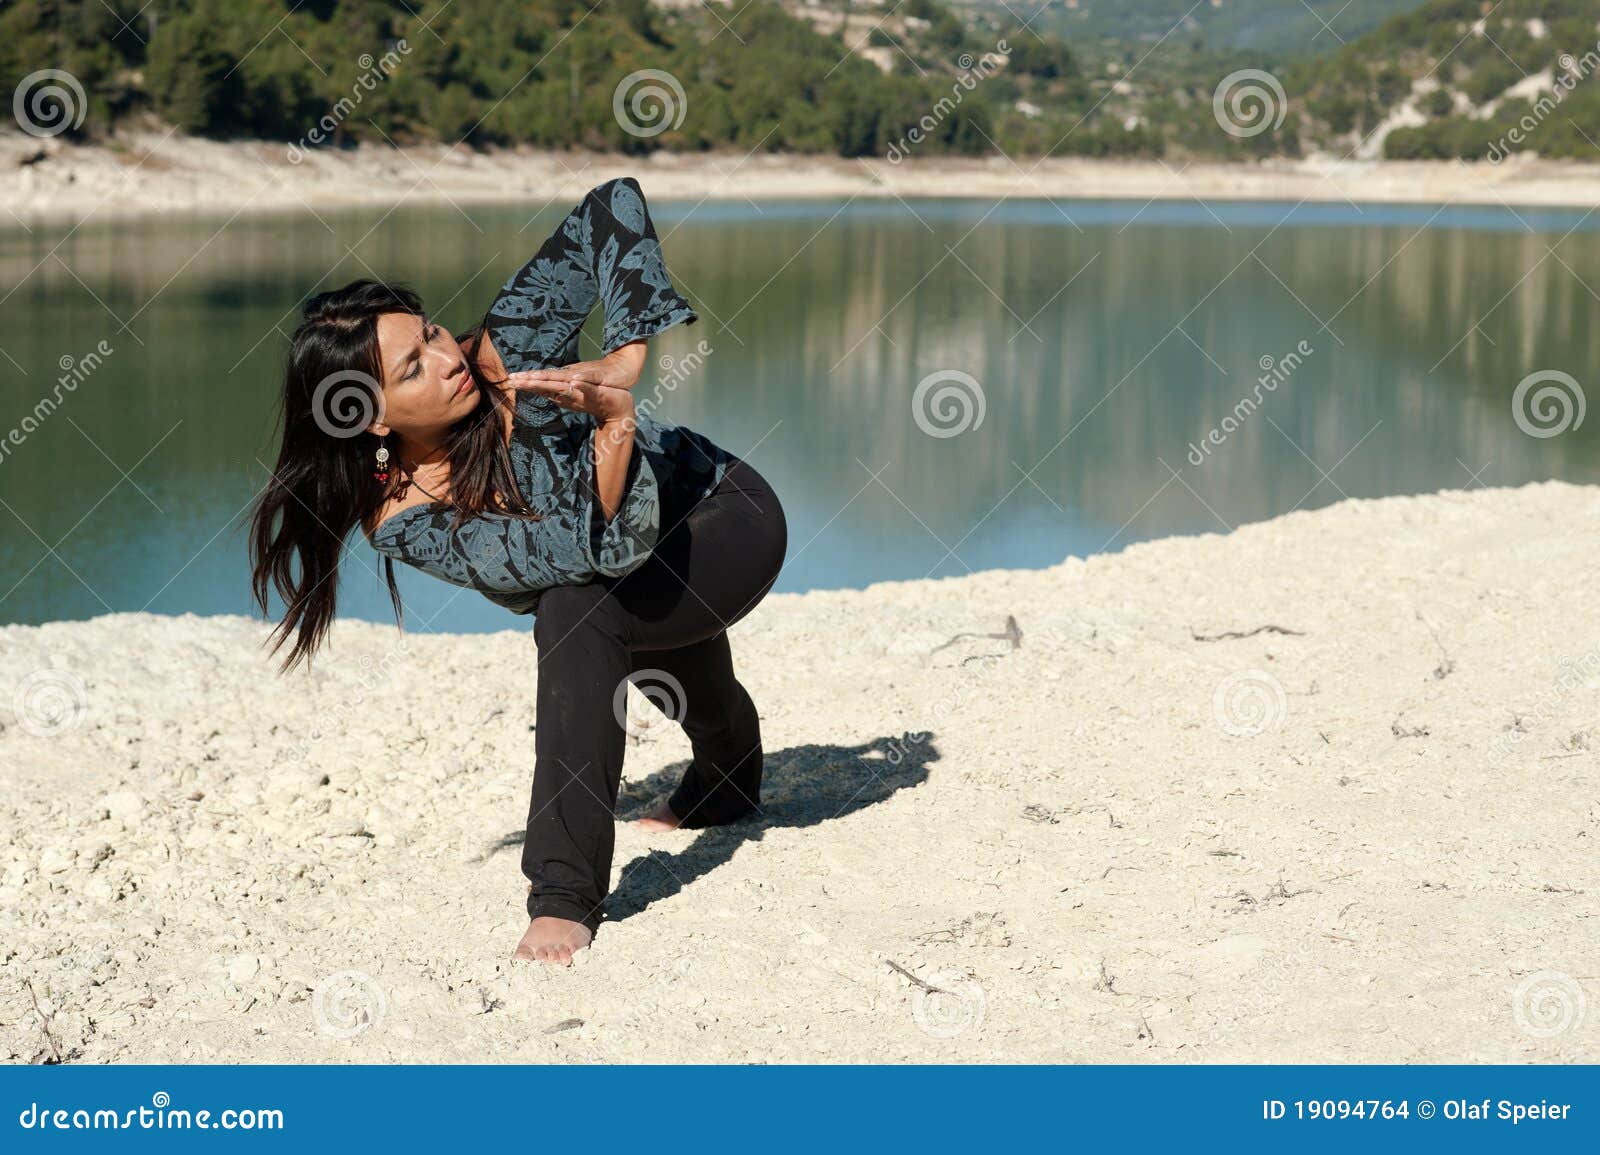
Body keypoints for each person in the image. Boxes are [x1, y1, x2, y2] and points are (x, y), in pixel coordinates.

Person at [247, 177, 787, 966]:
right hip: (620, 565)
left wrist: (631, 354)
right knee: (581, 599)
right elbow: (568, 554)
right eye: (412, 368)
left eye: (431, 332)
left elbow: (612, 205)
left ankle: (565, 893)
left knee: (579, 610)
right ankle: (728, 774)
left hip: (722, 513)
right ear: (370, 417)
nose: (446, 358)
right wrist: (609, 432)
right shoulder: (402, 519)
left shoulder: (510, 342)